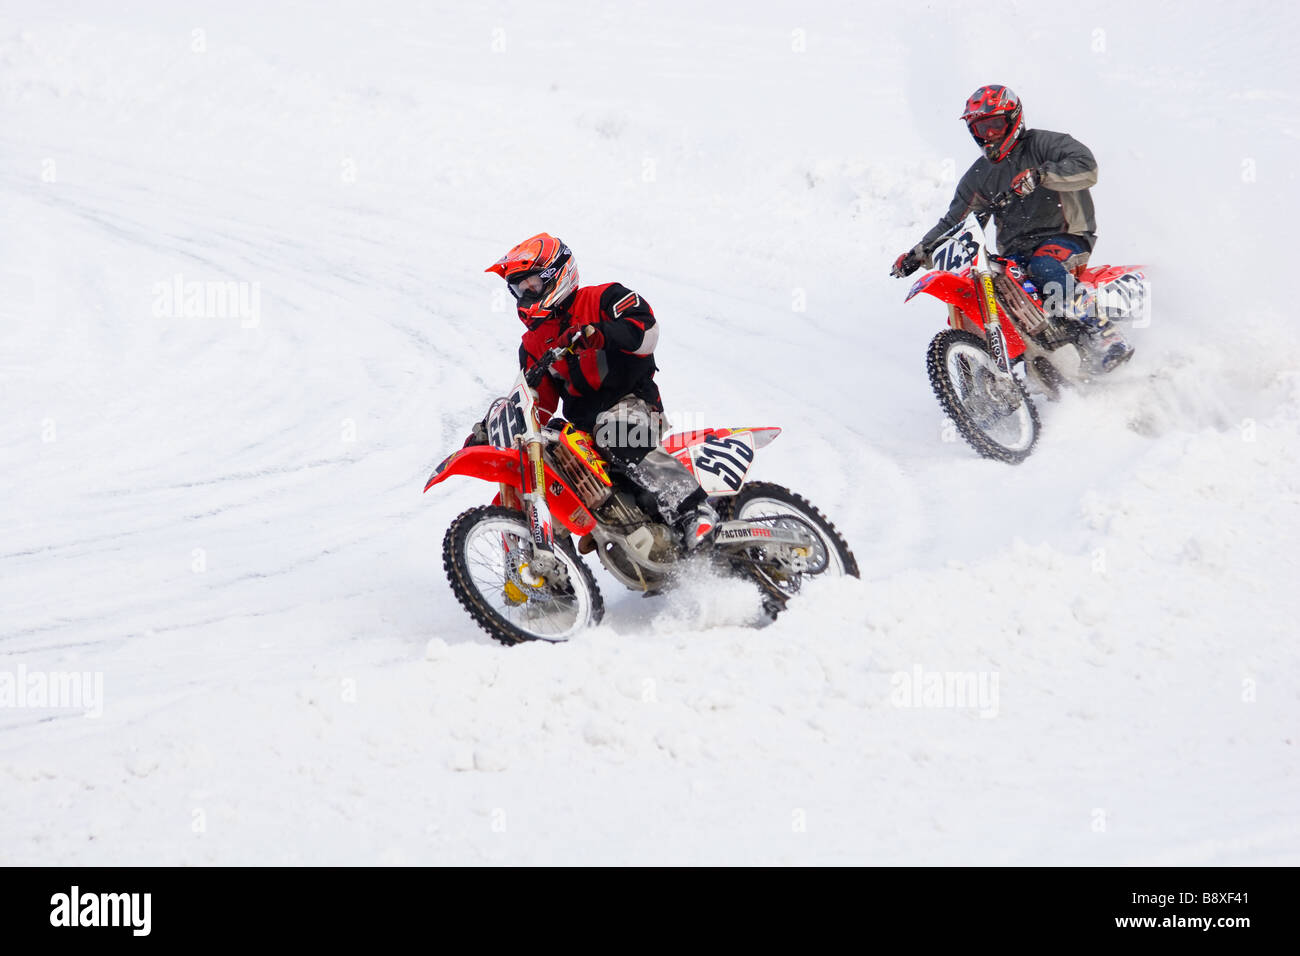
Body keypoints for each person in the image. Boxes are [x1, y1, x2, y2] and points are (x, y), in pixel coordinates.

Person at [480, 232, 717, 548]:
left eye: (532, 284)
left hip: (634, 405)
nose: (526, 294)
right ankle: (549, 576)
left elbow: (647, 331)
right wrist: (488, 432)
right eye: (518, 288)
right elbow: (536, 403)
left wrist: (597, 333)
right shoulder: (533, 344)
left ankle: (694, 509)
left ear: (556, 274)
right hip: (585, 432)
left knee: (614, 431)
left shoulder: (604, 298)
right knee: (544, 462)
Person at [891, 84, 1133, 373]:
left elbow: (1086, 166)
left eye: (994, 124)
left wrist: (1042, 175)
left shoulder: (1045, 144)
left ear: (1013, 118)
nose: (989, 134)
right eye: (981, 128)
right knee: (993, 286)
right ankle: (1020, 360)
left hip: (1066, 235)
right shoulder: (978, 176)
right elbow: (954, 221)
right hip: (1016, 250)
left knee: (1043, 266)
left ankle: (1105, 332)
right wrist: (918, 253)